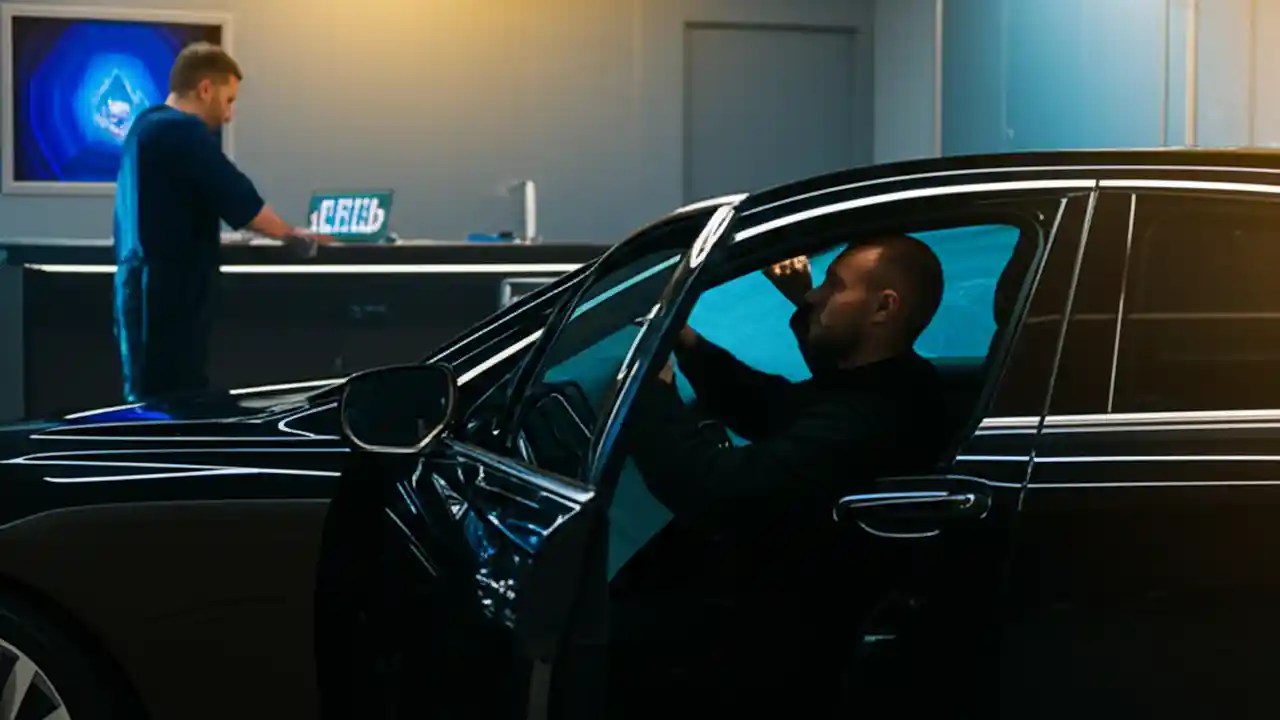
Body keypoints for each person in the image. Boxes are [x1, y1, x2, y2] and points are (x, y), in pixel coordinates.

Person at [609, 235, 951, 716]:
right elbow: (774, 405)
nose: (814, 296)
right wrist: (689, 345)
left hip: (786, 628)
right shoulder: (892, 382)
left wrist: (651, 393)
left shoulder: (874, 416)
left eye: (833, 286)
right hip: (789, 601)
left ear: (883, 309)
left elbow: (715, 491)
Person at [112, 42, 332, 403]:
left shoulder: (143, 128)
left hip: (137, 293)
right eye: (229, 100)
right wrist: (295, 235)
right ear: (205, 89)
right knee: (178, 405)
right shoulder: (182, 132)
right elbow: (241, 203)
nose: (229, 115)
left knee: (145, 401)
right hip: (170, 298)